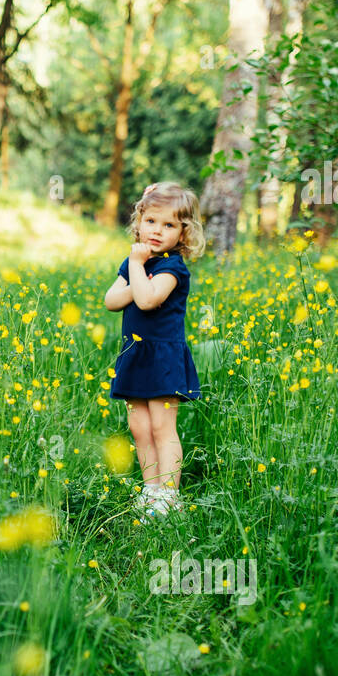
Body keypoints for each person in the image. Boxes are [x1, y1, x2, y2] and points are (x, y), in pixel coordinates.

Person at [102, 181, 207, 516]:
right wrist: (135, 265)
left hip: (163, 358)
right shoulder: (136, 262)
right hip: (135, 355)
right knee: (139, 426)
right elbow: (111, 301)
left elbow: (147, 301)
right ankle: (150, 489)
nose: (158, 231)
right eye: (151, 221)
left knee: (163, 427)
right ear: (139, 222)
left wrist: (136, 264)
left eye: (169, 225)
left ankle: (169, 495)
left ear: (183, 232)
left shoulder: (172, 268)